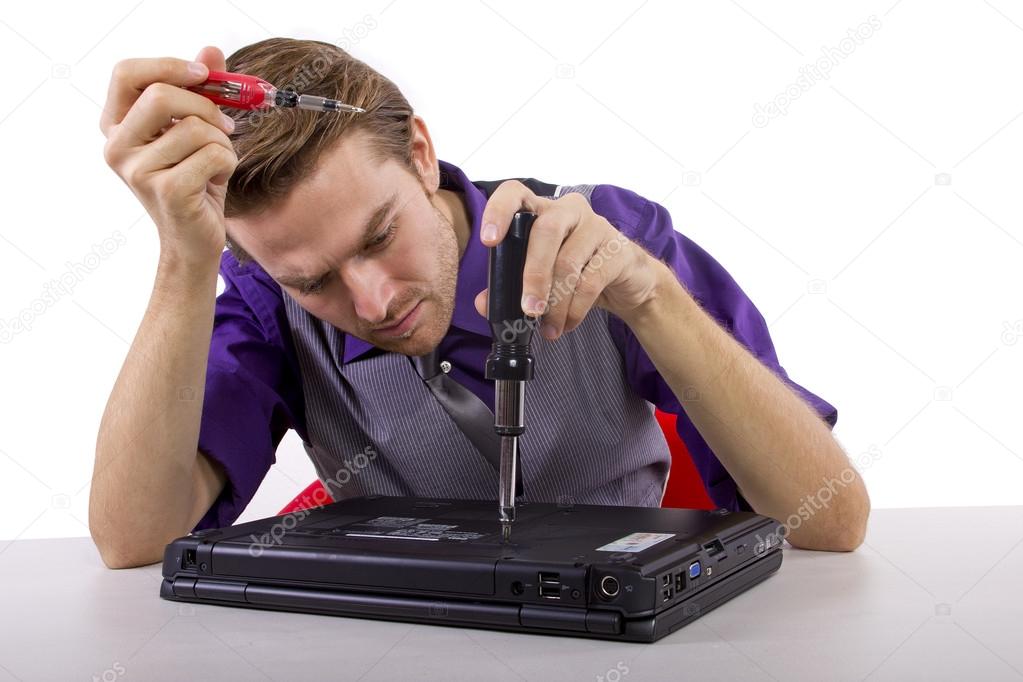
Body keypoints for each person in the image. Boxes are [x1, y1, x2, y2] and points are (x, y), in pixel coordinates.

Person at [91, 38, 869, 568]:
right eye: (312, 280)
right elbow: (133, 541)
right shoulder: (265, 308)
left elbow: (832, 522)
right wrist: (182, 260)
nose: (374, 300)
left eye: (378, 235)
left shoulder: (604, 239)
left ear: (422, 154)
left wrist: (651, 298)